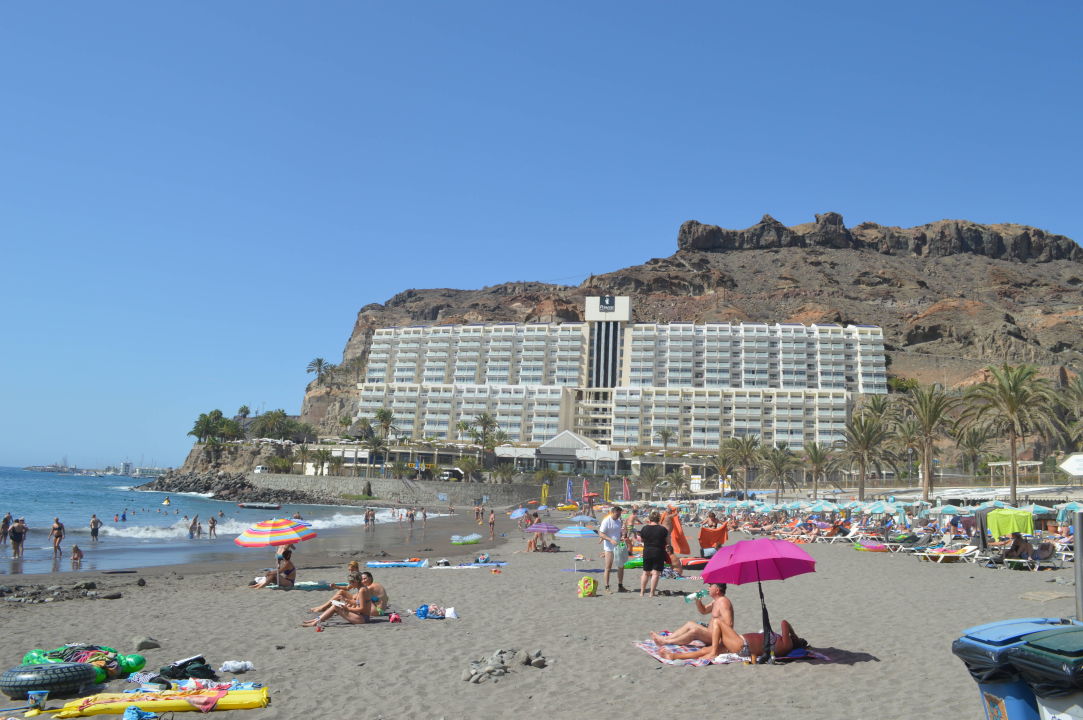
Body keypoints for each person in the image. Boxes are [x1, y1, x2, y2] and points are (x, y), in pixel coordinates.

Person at [659, 617, 807, 663]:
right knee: (705, 650)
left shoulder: (787, 644)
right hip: (741, 645)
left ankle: (714, 651)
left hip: (742, 644)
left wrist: (793, 635)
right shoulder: (783, 642)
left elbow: (784, 622)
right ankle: (674, 656)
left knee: (717, 622)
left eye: (798, 640)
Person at [650, 583, 734, 646]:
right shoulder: (716, 601)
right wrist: (698, 600)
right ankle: (665, 638)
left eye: (710, 586)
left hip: (716, 637)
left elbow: (729, 624)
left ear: (717, 590)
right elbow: (703, 611)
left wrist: (719, 639)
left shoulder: (723, 602)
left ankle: (666, 642)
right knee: (690, 624)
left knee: (695, 631)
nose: (708, 588)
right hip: (710, 633)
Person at [302, 582, 374, 627]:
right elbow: (356, 603)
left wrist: (347, 608)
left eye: (351, 583)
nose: (350, 585)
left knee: (336, 607)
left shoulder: (362, 590)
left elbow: (362, 608)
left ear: (356, 582)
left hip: (363, 619)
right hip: (361, 616)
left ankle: (315, 622)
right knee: (336, 605)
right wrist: (345, 600)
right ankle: (316, 620)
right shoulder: (361, 589)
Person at [639, 511, 670, 597]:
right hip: (658, 552)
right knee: (655, 573)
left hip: (647, 551)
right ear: (659, 519)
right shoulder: (663, 529)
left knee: (645, 572)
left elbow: (641, 540)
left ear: (650, 519)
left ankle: (642, 592)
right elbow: (668, 543)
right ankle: (651, 593)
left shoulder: (644, 528)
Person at [598, 505, 628, 593]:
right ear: (612, 512)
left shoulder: (619, 521)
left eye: (619, 514)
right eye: (617, 514)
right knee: (608, 567)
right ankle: (607, 587)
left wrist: (622, 536)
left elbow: (619, 532)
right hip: (609, 547)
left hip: (618, 546)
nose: (618, 516)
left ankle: (620, 586)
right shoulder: (606, 521)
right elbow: (601, 533)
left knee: (621, 566)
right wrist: (610, 540)